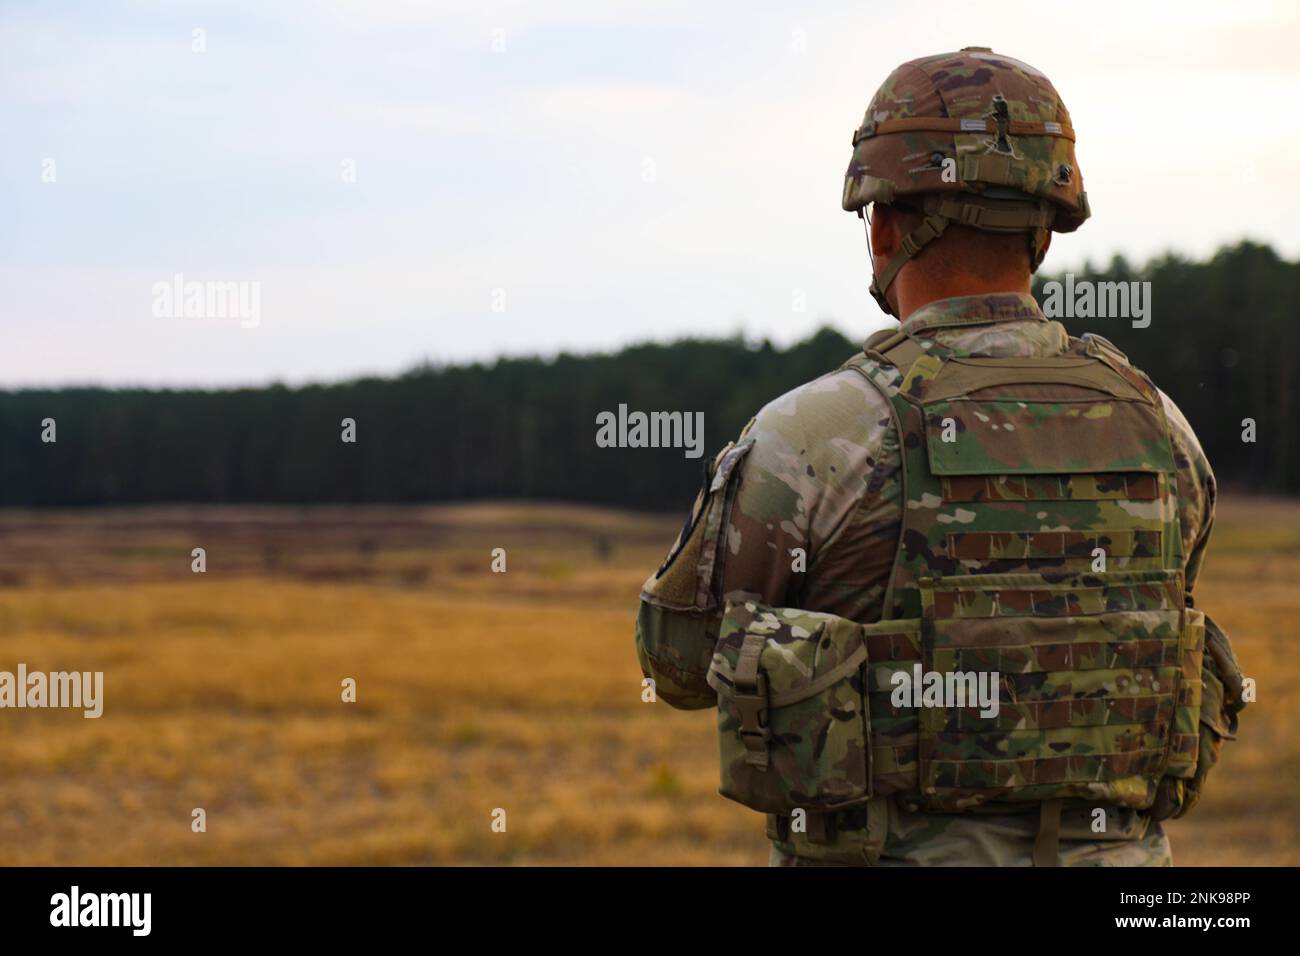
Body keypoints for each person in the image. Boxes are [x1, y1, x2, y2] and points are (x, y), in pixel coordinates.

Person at [635, 47, 1246, 866]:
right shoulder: (1162, 429)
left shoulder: (819, 434)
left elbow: (676, 662)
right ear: (1042, 230)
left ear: (885, 223)